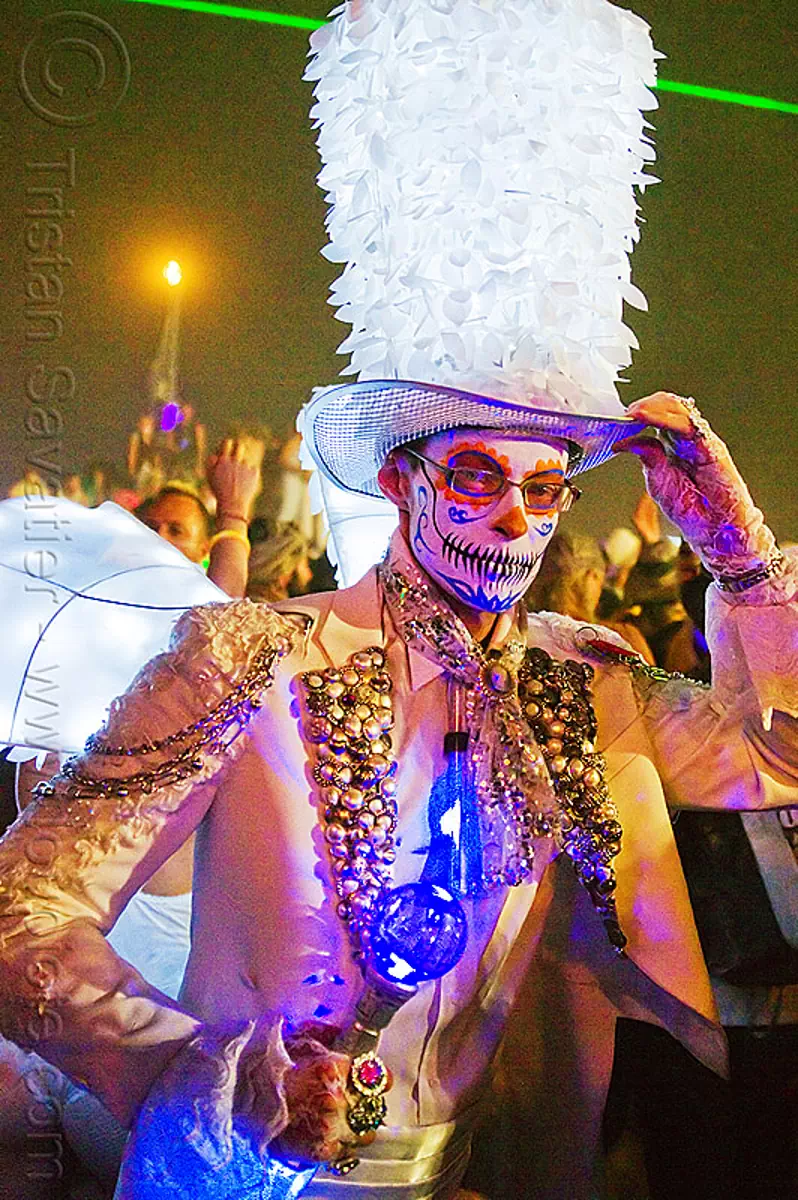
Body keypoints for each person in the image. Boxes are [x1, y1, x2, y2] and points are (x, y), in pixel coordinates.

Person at [0, 384, 796, 1200]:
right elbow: (20, 908)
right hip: (237, 1181)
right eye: (476, 478)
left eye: (543, 489)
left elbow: (775, 755)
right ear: (399, 482)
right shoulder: (248, 658)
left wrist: (741, 558)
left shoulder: (579, 681)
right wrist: (211, 1079)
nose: (514, 520)